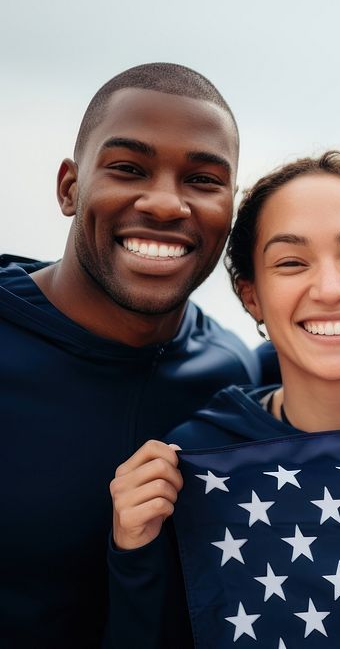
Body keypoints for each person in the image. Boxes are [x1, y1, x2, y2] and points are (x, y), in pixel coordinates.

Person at [106, 150, 340, 646]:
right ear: (251, 295)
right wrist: (134, 549)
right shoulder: (200, 459)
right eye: (291, 262)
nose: (329, 288)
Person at [0, 63, 259, 647]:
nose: (166, 203)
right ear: (70, 187)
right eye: (128, 168)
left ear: (231, 209)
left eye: (202, 179)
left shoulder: (232, 373)